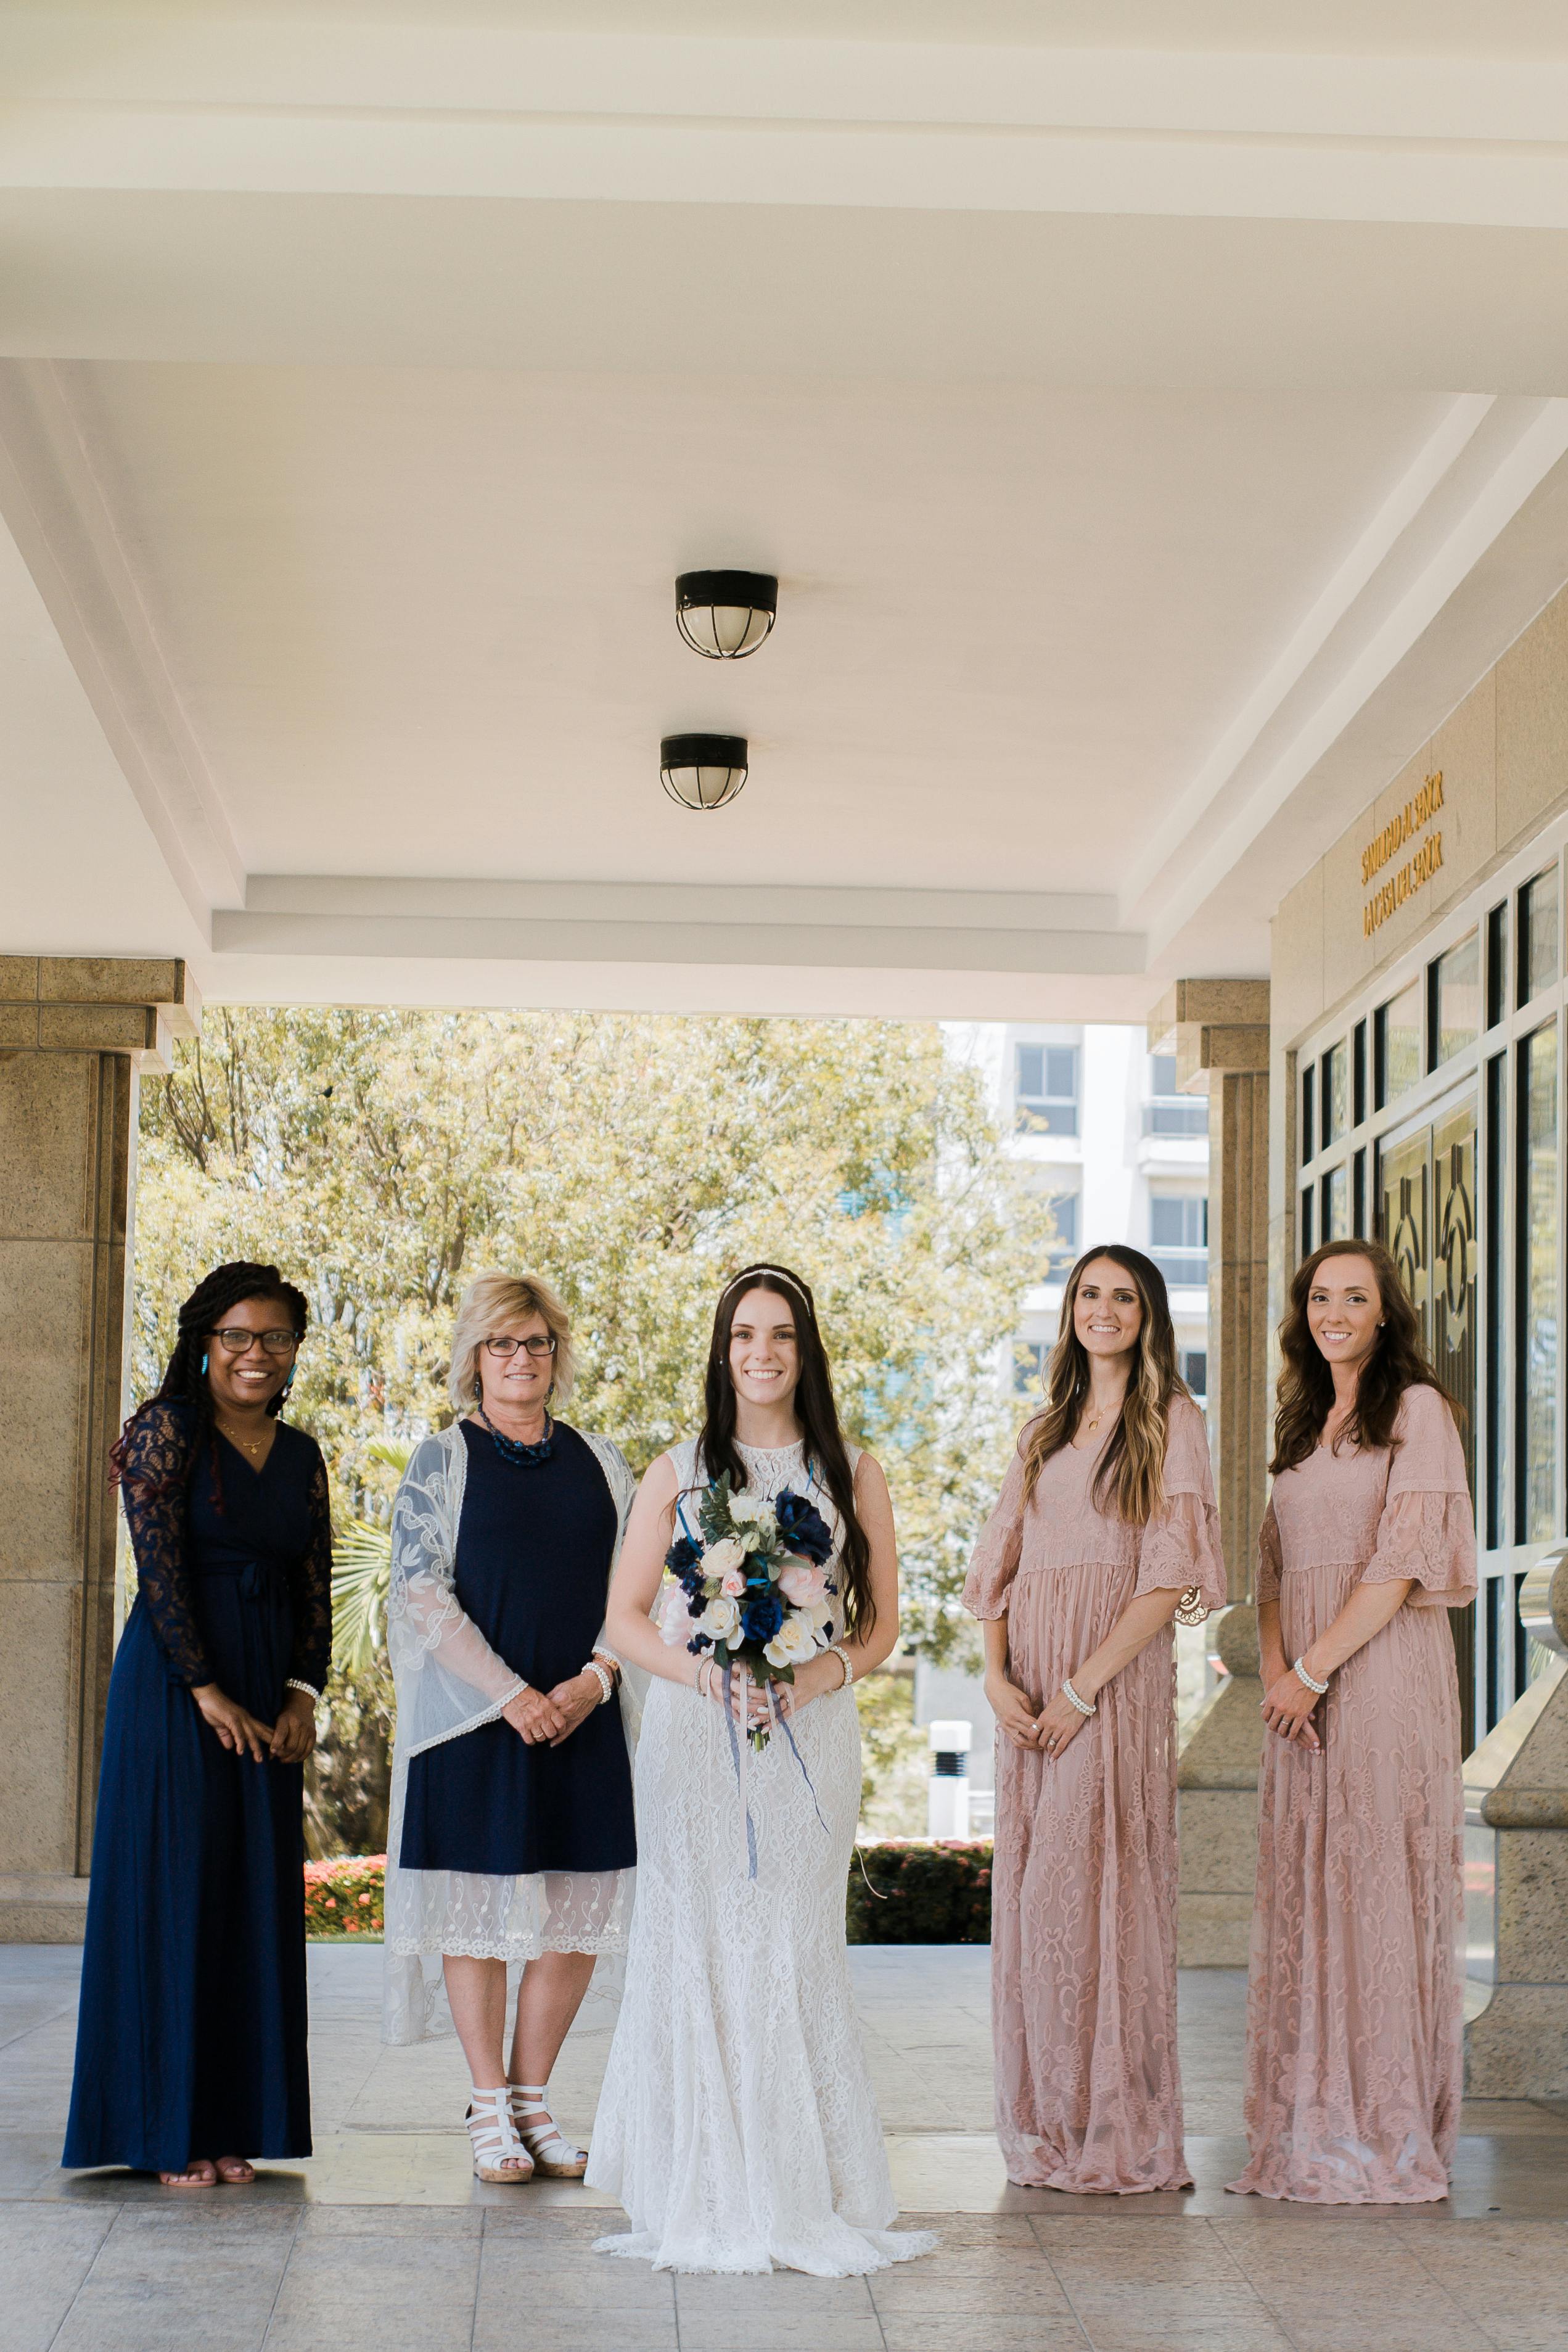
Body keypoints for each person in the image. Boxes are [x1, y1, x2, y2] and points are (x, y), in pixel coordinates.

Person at [586, 1263, 934, 2274]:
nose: (763, 1352)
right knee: (698, 1944)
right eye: (745, 1334)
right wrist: (702, 1675)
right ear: (723, 1349)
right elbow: (621, 1617)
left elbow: (881, 1624)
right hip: (696, 1742)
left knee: (788, 1946)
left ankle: (795, 2186)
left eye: (781, 1333)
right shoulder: (679, 1470)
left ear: (806, 1348)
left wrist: (817, 1676)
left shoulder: (853, 1470)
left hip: (808, 1737)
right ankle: (703, 2185)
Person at [964, 1244, 1225, 2193]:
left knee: (1097, 1889)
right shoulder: (1042, 1428)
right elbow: (997, 1566)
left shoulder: (1173, 1422)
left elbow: (1169, 1578)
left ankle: (1117, 2119)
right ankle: (1050, 2117)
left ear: (1148, 1314)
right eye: (1088, 1293)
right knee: (1038, 1904)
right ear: (1069, 1308)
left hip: (1106, 1687)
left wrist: (1082, 1690)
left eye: (1122, 1296)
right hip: (1028, 1689)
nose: (1103, 1309)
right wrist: (997, 1680)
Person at [63, 1260, 330, 2186]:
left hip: (264, 1688)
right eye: (238, 1337)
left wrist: (302, 1692)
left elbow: (311, 1585)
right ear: (204, 1343)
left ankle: (227, 2122)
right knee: (174, 1894)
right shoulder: (166, 1429)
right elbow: (159, 1565)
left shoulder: (300, 1455)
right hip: (177, 1688)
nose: (257, 1355)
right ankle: (162, 2128)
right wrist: (205, 1688)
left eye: (277, 1338)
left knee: (244, 1904)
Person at [1229, 1238, 1475, 2205]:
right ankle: (1311, 2121)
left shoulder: (1418, 1410)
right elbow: (1274, 1572)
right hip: (1303, 1691)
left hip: (1381, 1674)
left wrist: (1316, 1669)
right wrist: (1282, 1679)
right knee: (1311, 1890)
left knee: (1375, 1888)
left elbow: (1402, 1566)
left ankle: (1380, 2122)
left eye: (1355, 1296)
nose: (1336, 1310)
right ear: (1305, 1310)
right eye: (1321, 1295)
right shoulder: (1299, 1423)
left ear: (1385, 1313)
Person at [382, 1271, 638, 2185]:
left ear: (557, 1357)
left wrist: (594, 1680)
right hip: (477, 1725)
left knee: (577, 1910)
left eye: (537, 1343)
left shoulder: (605, 1462)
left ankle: (533, 2098)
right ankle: (487, 2103)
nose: (522, 1359)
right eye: (503, 1344)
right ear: (474, 1358)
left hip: (584, 1716)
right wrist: (513, 1695)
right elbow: (420, 1592)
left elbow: (639, 1592)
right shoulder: (441, 1460)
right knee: (478, 1919)